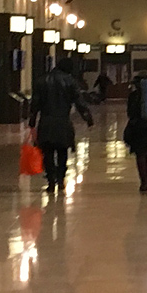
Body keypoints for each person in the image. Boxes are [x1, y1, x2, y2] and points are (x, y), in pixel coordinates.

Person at [28, 57, 93, 195]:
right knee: (63, 151)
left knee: (47, 152)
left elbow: (35, 104)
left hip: (46, 121)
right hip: (63, 121)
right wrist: (88, 118)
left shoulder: (42, 81)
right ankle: (61, 178)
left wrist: (32, 122)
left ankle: (51, 181)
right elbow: (79, 102)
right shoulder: (70, 82)